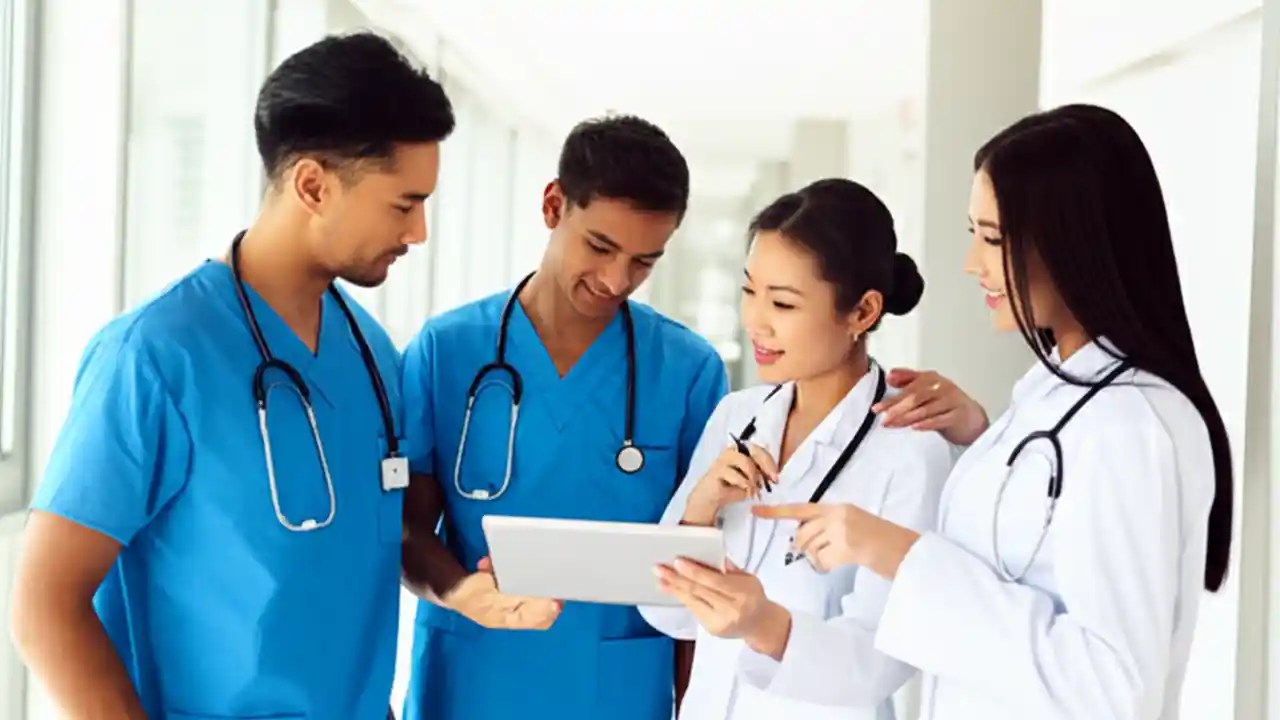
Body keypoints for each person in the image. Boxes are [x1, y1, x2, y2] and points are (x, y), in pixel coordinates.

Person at [9, 32, 453, 720]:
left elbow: (368, 541)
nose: (419, 232)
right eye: (403, 203)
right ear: (312, 183)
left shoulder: (372, 355)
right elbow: (44, 603)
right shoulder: (154, 356)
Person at [759, 103, 1233, 719]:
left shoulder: (1125, 424)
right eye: (972, 233)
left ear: (1071, 244)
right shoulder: (1059, 402)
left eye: (992, 239)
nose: (971, 263)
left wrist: (893, 552)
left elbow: (1114, 685)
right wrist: (987, 444)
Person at [398, 114, 729, 720]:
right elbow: (406, 527)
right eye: (600, 247)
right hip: (473, 679)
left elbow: (702, 569)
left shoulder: (688, 371)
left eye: (643, 261)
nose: (616, 279)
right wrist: (462, 593)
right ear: (554, 206)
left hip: (619, 688)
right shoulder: (446, 350)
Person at [637, 178, 954, 719]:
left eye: (782, 302)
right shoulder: (738, 416)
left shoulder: (910, 450)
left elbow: (886, 660)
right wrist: (699, 511)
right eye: (749, 291)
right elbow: (665, 613)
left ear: (862, 312)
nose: (756, 321)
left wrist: (765, 625)